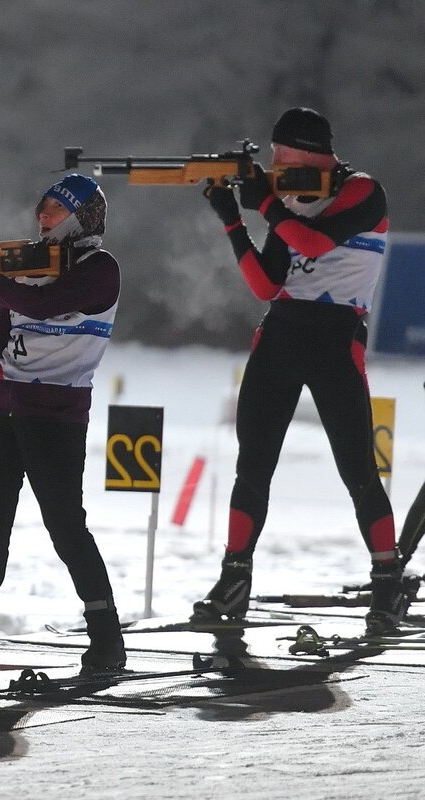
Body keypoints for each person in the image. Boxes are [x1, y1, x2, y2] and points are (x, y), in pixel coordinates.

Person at [195, 106, 402, 636]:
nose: (273, 163)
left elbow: (316, 241)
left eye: (279, 155)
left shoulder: (362, 190)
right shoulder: (286, 199)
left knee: (359, 472)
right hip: (282, 333)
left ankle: (386, 580)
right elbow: (266, 284)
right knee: (253, 465)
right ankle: (234, 577)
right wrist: (233, 221)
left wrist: (263, 200)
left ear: (304, 151)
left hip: (336, 340)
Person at [0, 173, 127, 675]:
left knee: (64, 525)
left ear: (80, 217)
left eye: (54, 210)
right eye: (42, 208)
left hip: (55, 415)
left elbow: (41, 304)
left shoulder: (100, 270)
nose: (42, 217)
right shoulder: (30, 266)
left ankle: (107, 637)